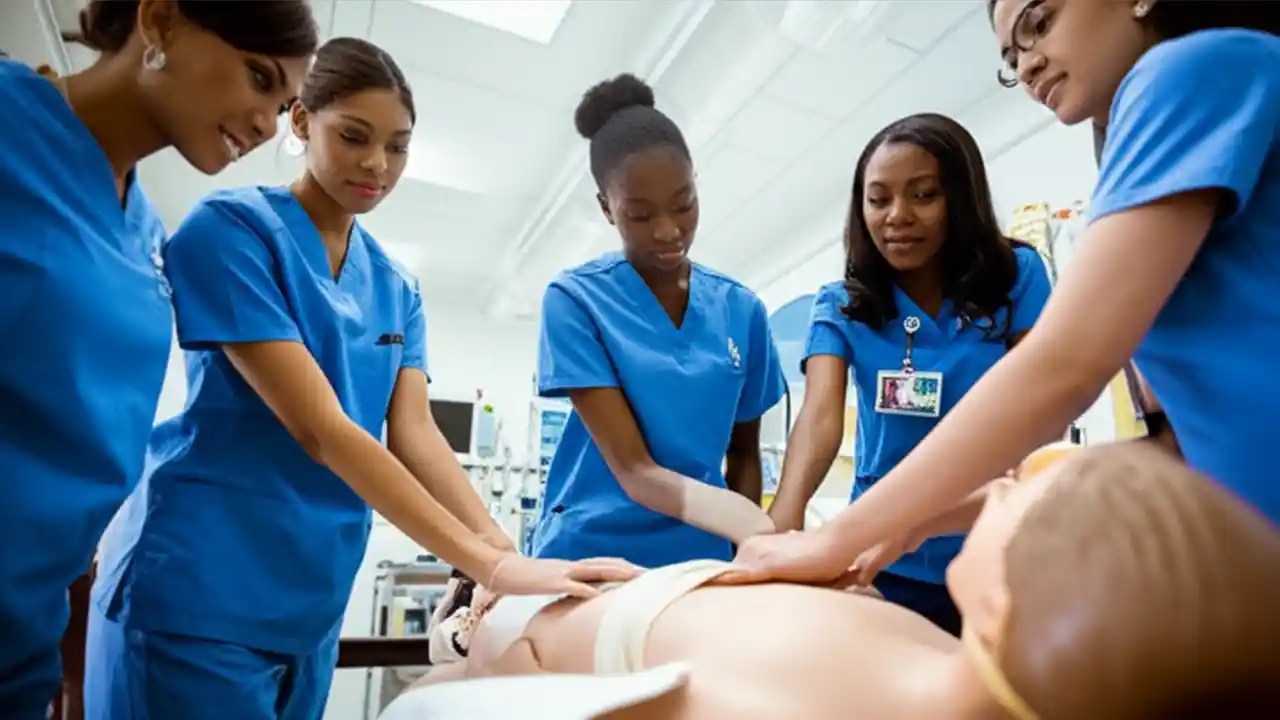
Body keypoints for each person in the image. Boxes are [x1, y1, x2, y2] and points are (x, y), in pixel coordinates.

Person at [83, 38, 638, 719]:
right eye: (354, 137)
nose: (377, 165)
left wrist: (502, 556)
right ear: (299, 122)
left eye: (398, 146)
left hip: (309, 603)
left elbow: (414, 434)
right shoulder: (229, 233)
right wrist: (490, 565)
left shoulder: (396, 285)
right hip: (199, 590)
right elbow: (322, 430)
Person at [732, 0, 1280, 584]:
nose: (1028, 66)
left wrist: (847, 534)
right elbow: (1171, 448)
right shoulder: (842, 303)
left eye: (1040, 24)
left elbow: (1065, 367)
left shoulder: (1186, 72)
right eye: (1011, 58)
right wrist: (920, 520)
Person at [391, 444, 1280, 720]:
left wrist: (472, 652)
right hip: (634, 591)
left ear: (1011, 606)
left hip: (534, 636)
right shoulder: (946, 650)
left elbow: (527, 704)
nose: (1002, 484)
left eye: (1028, 494)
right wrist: (662, 582)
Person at [0, 1, 319, 716]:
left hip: (23, 648)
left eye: (286, 103)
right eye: (258, 78)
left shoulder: (146, 232)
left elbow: (84, 457)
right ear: (163, 20)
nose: (270, 123)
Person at [766, 113, 1051, 636]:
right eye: (878, 200)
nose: (897, 216)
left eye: (923, 195)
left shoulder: (1016, 277)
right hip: (884, 556)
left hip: (994, 548)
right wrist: (782, 525)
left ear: (960, 201)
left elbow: (1040, 401)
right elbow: (820, 416)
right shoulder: (842, 305)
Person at [530, 73, 786, 568]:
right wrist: (757, 528)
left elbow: (745, 454)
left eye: (684, 204)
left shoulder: (742, 311)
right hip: (590, 552)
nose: (669, 230)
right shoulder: (575, 300)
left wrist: (746, 556)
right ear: (607, 208)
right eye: (641, 215)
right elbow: (634, 471)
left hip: (702, 554)